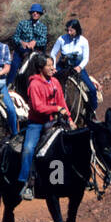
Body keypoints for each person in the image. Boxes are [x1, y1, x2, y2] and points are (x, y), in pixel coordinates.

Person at [20, 56, 71, 200]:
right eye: (49, 66)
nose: (52, 68)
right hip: (37, 123)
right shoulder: (34, 85)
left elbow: (62, 102)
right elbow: (37, 107)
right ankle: (27, 183)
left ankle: (67, 179)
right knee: (29, 148)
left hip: (55, 121)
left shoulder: (55, 82)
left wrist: (70, 119)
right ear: (40, 68)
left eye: (52, 65)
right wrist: (56, 108)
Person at [51, 18, 100, 119]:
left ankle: (91, 111)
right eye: (68, 30)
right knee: (49, 84)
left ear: (77, 30)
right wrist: (53, 67)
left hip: (77, 66)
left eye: (71, 30)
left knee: (91, 89)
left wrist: (80, 67)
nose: (69, 32)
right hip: (62, 65)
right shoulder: (61, 39)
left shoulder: (83, 41)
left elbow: (86, 58)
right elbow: (53, 53)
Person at [9, 2, 48, 86]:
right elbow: (15, 37)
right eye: (33, 12)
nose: (35, 13)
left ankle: (48, 86)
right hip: (22, 50)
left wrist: (36, 42)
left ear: (40, 14)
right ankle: (9, 85)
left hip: (37, 51)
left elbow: (44, 40)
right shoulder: (22, 24)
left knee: (46, 67)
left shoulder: (43, 27)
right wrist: (21, 42)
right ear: (30, 13)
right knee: (14, 65)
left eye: (37, 12)